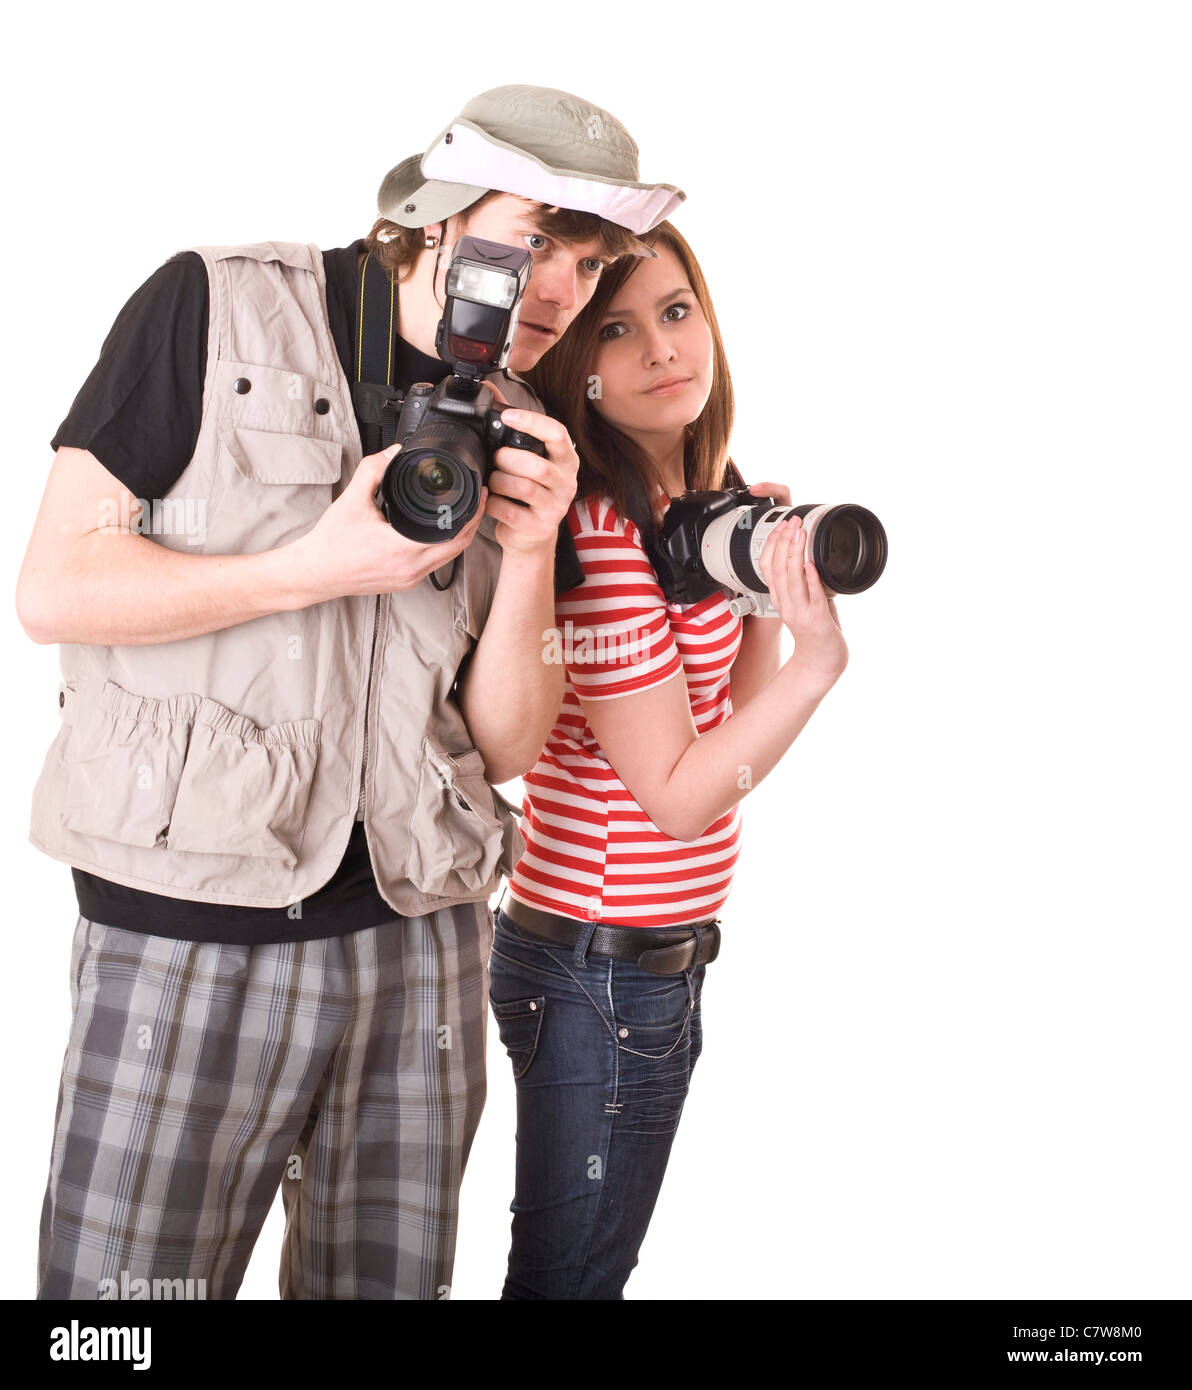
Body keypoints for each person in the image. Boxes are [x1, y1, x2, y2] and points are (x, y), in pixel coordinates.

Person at [16, 84, 684, 1300]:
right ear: (432, 213)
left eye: (588, 266)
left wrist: (531, 556)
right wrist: (308, 567)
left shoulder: (523, 426)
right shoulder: (212, 305)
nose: (555, 290)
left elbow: (504, 743)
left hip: (419, 942)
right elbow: (58, 585)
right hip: (188, 924)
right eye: (530, 238)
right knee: (115, 1314)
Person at [488, 219, 849, 1299]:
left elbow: (721, 728)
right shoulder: (598, 532)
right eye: (617, 331)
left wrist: (758, 602)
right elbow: (681, 797)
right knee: (569, 1282)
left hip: (645, 964)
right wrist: (819, 666)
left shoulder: (686, 505)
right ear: (575, 371)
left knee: (587, 1271)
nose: (662, 350)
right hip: (600, 964)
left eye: (677, 311)